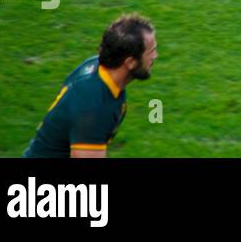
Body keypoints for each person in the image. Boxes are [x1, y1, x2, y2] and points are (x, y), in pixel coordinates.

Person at [23, 13, 157, 158]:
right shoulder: (94, 107)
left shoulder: (98, 68)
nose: (155, 56)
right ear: (130, 62)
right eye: (151, 52)